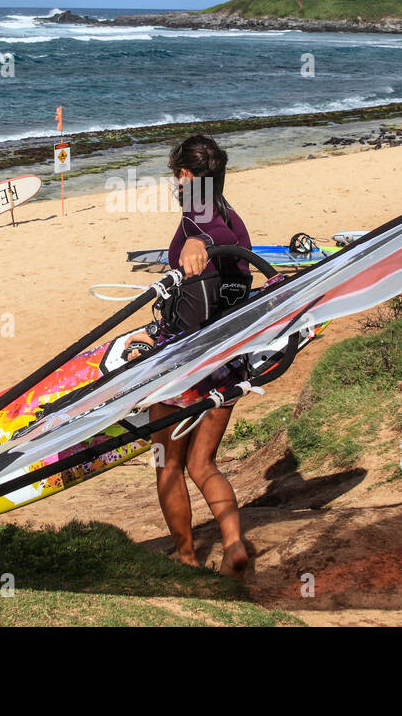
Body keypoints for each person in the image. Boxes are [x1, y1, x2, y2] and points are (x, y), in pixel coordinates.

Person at [128, 135, 253, 578]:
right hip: (226, 361)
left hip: (186, 364)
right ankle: (234, 542)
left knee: (169, 463)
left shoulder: (199, 216)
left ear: (184, 175)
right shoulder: (228, 212)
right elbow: (231, 250)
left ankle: (185, 555)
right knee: (205, 464)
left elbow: (205, 242)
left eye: (175, 175)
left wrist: (195, 246)